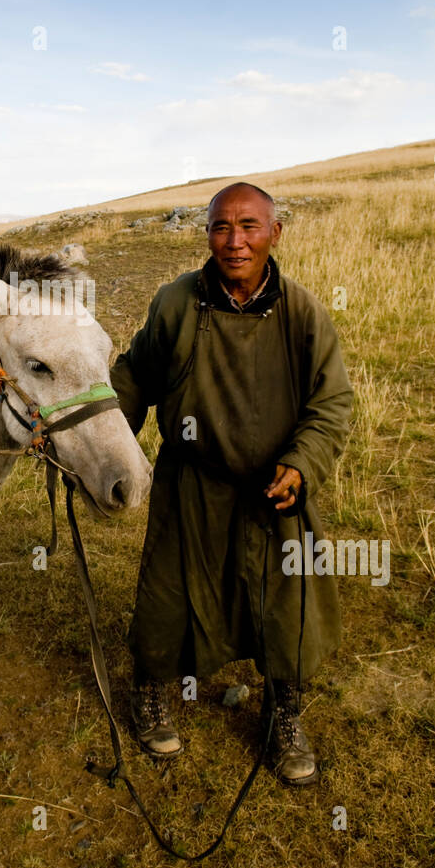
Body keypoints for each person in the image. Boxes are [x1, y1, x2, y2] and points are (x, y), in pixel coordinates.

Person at [109, 182, 353, 785]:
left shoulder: (303, 313)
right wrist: (96, 443)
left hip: (278, 490)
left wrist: (302, 462)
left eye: (249, 226)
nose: (235, 240)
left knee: (286, 604)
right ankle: (151, 693)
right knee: (167, 596)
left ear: (274, 233)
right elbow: (133, 379)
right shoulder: (175, 304)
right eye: (221, 226)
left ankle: (283, 713)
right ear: (208, 235)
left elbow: (332, 403)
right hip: (191, 484)